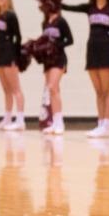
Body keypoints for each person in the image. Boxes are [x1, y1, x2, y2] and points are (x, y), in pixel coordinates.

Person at [61, 0, 109, 137]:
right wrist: (54, 1)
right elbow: (69, 7)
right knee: (99, 91)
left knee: (107, 90)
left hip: (107, 49)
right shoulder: (89, 7)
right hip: (92, 49)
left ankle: (107, 124)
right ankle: (100, 123)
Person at [37, 7, 74, 136]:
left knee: (53, 87)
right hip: (48, 60)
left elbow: (70, 40)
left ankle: (60, 122)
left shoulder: (61, 21)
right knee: (53, 90)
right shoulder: (45, 22)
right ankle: (54, 122)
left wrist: (56, 45)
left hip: (59, 58)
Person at [0, 0, 25, 130]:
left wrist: (16, 56)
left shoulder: (11, 15)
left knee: (15, 88)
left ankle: (20, 120)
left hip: (9, 53)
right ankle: (7, 118)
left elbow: (18, 36)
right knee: (6, 89)